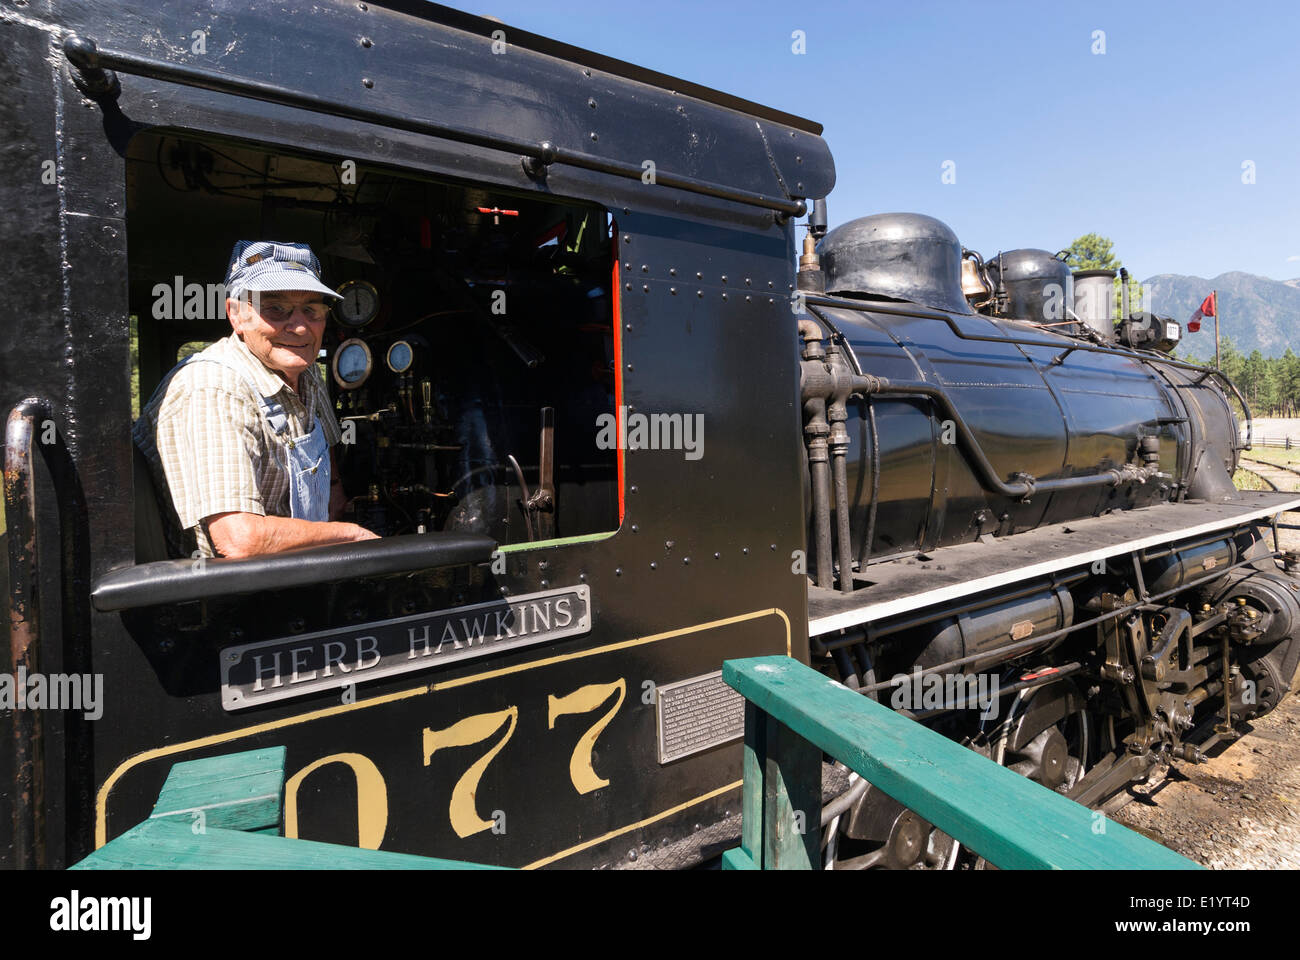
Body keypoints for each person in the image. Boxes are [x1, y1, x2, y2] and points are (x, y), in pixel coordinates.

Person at [134, 240, 379, 558]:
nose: (301, 326)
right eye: (276, 309)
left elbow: (326, 456)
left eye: (312, 309)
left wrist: (336, 499)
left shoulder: (306, 375)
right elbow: (240, 540)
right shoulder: (214, 389)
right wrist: (352, 535)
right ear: (236, 314)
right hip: (221, 595)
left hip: (295, 568)